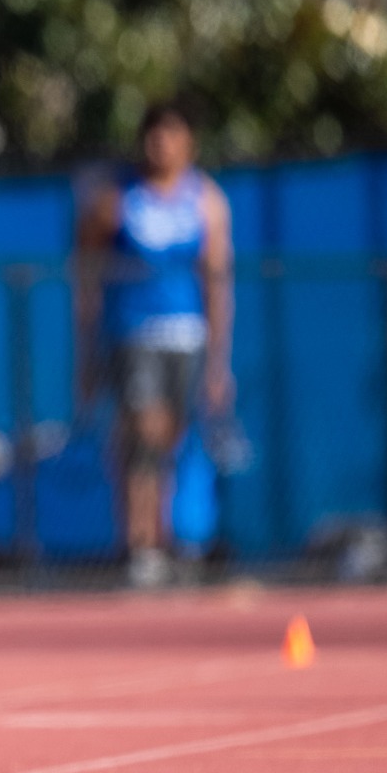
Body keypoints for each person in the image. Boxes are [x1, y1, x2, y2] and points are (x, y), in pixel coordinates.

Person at [75, 101, 233, 588]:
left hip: (186, 335)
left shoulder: (204, 199)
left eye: (171, 134)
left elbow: (217, 281)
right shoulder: (118, 199)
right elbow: (87, 272)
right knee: (142, 432)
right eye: (153, 134)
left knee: (169, 438)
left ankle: (159, 537)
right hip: (133, 333)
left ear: (189, 142)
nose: (159, 144)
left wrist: (219, 363)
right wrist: (87, 347)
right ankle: (139, 543)